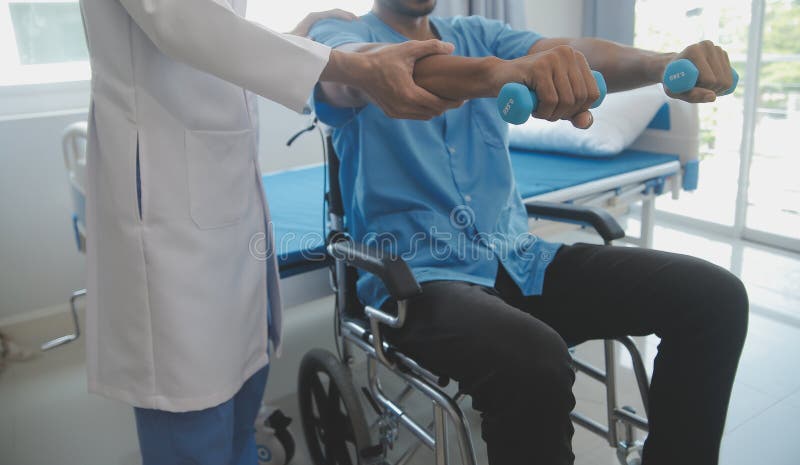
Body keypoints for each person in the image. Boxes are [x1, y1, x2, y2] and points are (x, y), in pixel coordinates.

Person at [309, 1, 749, 464]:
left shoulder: (477, 34)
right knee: (532, 358)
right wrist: (504, 74)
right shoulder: (339, 35)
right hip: (417, 281)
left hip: (519, 259)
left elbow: (576, 52)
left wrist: (664, 65)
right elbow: (353, 75)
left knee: (714, 298)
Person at [79, 1, 461, 464]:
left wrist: (295, 41)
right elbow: (183, 22)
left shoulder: (466, 29)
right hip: (168, 215)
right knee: (192, 418)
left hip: (225, 200)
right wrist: (354, 66)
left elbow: (215, 39)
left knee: (239, 414)